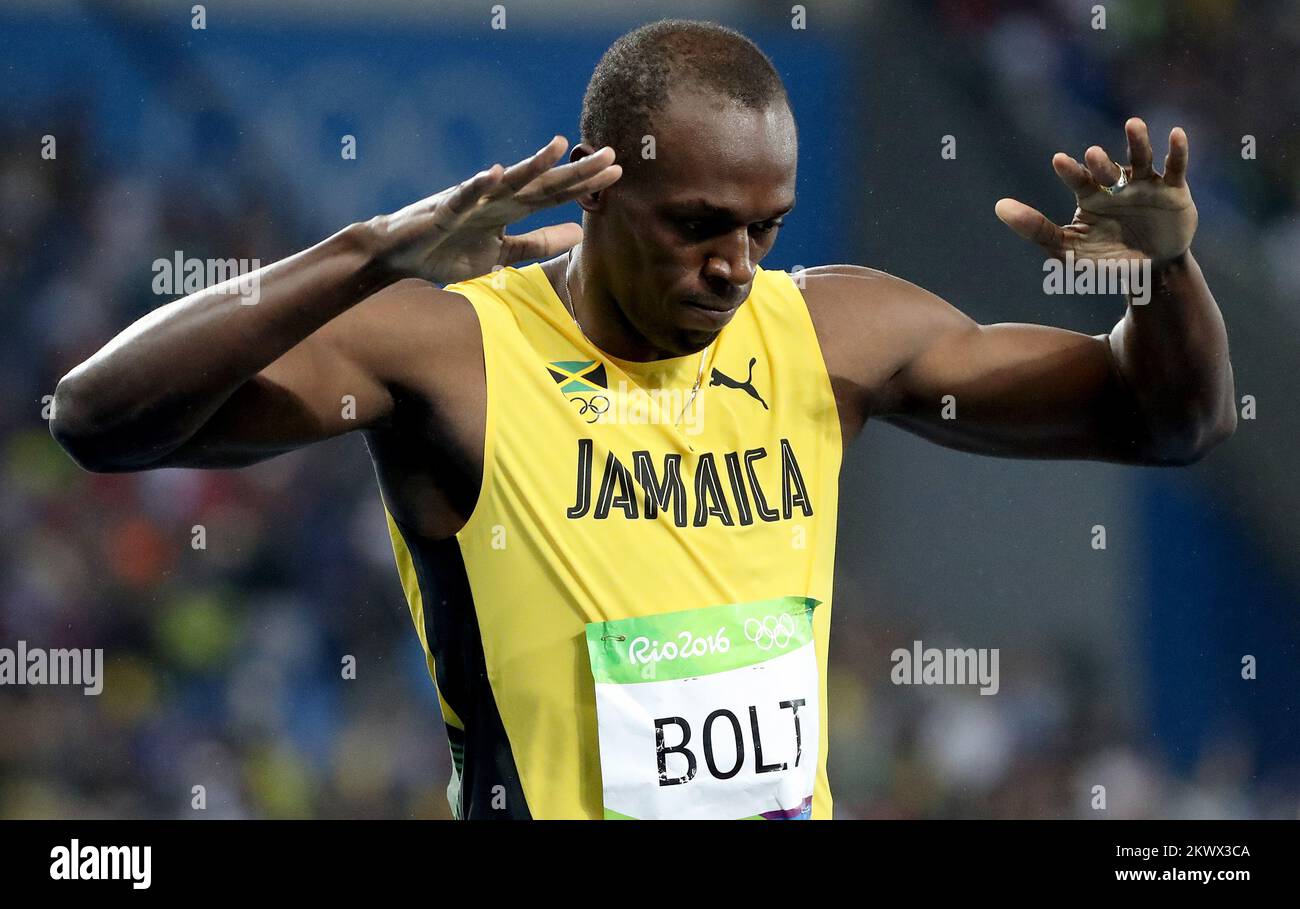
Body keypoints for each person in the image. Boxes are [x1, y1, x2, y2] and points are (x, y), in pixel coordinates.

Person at [49, 20, 1235, 819]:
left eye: (764, 227)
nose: (734, 264)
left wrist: (1166, 275)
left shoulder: (831, 334)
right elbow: (98, 417)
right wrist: (366, 254)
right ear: (603, 184)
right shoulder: (456, 349)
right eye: (699, 224)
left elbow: (1168, 421)